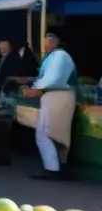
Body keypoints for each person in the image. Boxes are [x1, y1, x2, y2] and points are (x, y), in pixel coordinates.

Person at [23, 33, 79, 180]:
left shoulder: (60, 56)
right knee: (47, 133)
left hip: (59, 96)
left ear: (55, 41)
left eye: (47, 40)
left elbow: (54, 79)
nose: (45, 43)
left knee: (47, 133)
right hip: (53, 97)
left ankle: (54, 169)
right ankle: (54, 167)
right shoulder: (53, 56)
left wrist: (36, 90)